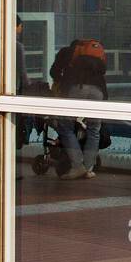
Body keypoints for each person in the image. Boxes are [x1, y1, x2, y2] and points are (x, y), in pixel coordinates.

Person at [50, 39, 107, 180]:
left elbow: (54, 72)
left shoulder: (66, 52)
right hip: (98, 90)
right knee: (94, 129)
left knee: (65, 126)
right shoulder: (95, 55)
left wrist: (61, 86)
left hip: (77, 88)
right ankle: (88, 168)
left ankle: (77, 166)